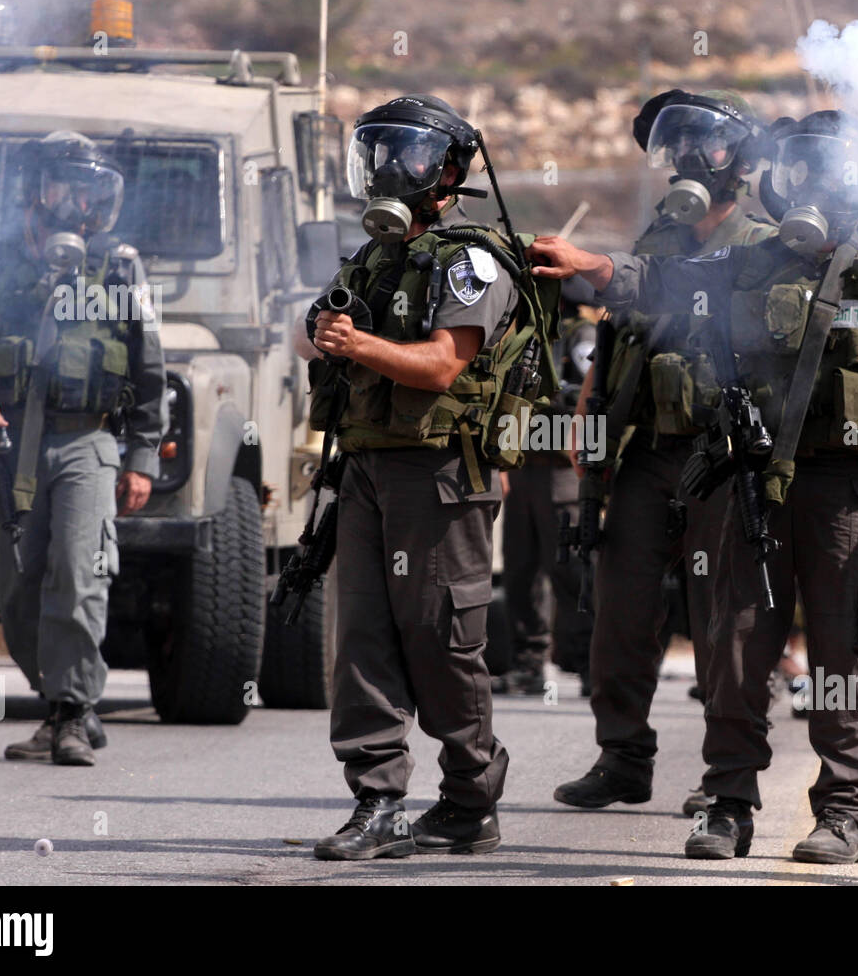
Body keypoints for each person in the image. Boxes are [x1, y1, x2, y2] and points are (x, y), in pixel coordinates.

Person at [531, 110, 858, 862]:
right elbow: (655, 279)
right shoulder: (746, 261)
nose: (807, 190)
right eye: (796, 173)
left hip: (843, 493)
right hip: (748, 486)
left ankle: (843, 808)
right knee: (736, 643)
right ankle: (728, 803)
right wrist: (586, 262)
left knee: (845, 648)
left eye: (825, 177)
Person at [300, 95, 554, 861]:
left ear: (446, 174)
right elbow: (320, 340)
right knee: (363, 637)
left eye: (404, 152)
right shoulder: (371, 258)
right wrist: (327, 334)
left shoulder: (469, 261)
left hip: (442, 476)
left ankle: (472, 795)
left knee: (442, 640)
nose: (384, 166)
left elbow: (445, 363)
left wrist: (357, 345)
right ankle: (376, 800)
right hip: (369, 467)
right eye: (376, 149)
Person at [551, 90, 778, 818]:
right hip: (647, 453)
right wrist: (588, 432)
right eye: (675, 143)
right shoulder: (655, 241)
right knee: (621, 611)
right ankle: (622, 757)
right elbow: (610, 350)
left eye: (703, 143)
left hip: (724, 456)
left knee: (725, 622)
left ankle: (726, 779)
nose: (685, 157)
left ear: (739, 158)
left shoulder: (767, 241)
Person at [0, 131, 167, 766]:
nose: (79, 202)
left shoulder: (119, 267)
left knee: (78, 570)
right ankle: (57, 702)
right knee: (20, 589)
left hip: (88, 441)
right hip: (11, 449)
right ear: (35, 191)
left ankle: (72, 712)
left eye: (91, 189)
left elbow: (149, 369)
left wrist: (142, 454)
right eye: (67, 185)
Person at [494, 281, 597, 695]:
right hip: (522, 465)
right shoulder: (524, 333)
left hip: (560, 469)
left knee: (570, 571)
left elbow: (592, 395)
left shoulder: (579, 334)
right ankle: (529, 663)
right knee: (520, 572)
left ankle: (590, 663)